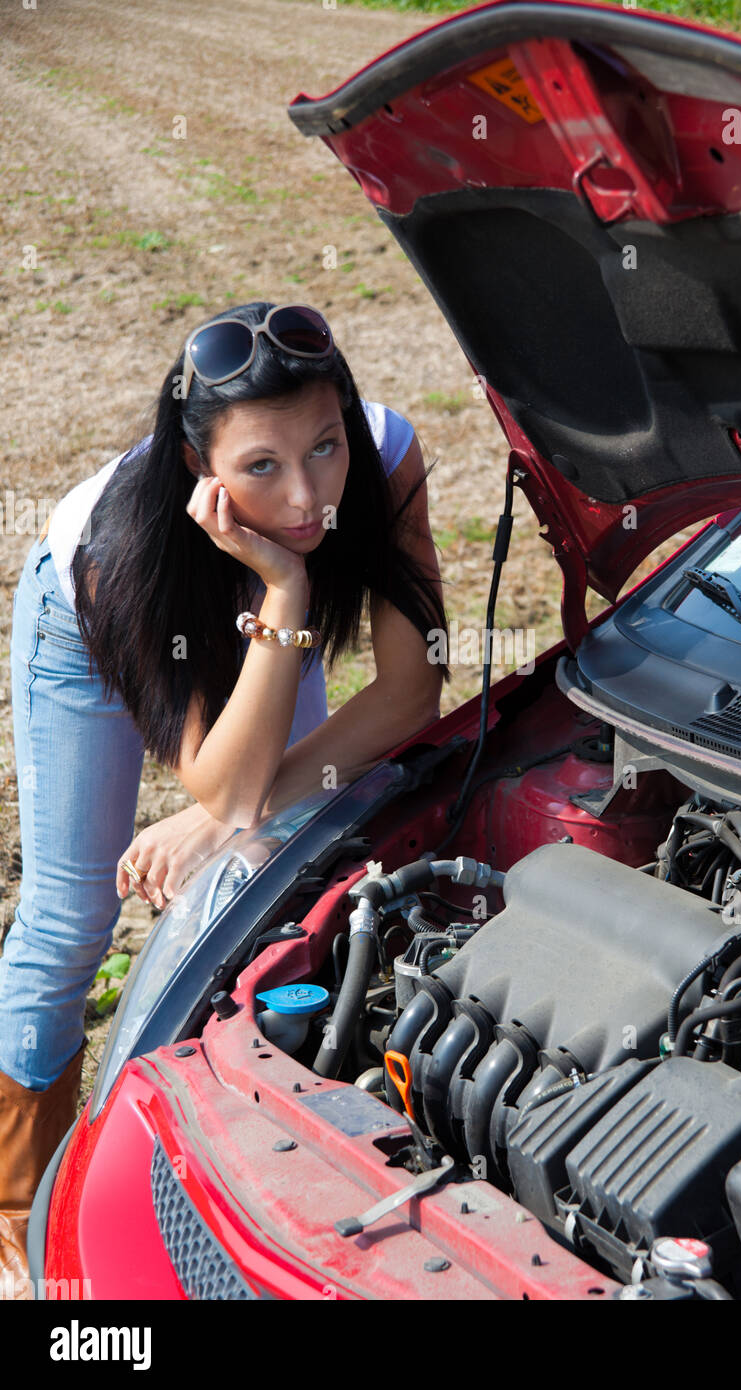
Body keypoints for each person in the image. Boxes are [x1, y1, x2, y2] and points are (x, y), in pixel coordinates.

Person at [0, 301, 449, 1291]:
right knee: (73, 918)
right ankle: (17, 1208)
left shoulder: (388, 459)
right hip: (96, 630)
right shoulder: (127, 538)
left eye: (326, 447)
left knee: (278, 863)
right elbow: (229, 776)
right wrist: (286, 592)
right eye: (261, 467)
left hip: (247, 643)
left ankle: (242, 1151)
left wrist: (219, 819)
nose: (307, 496)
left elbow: (413, 690)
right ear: (200, 465)